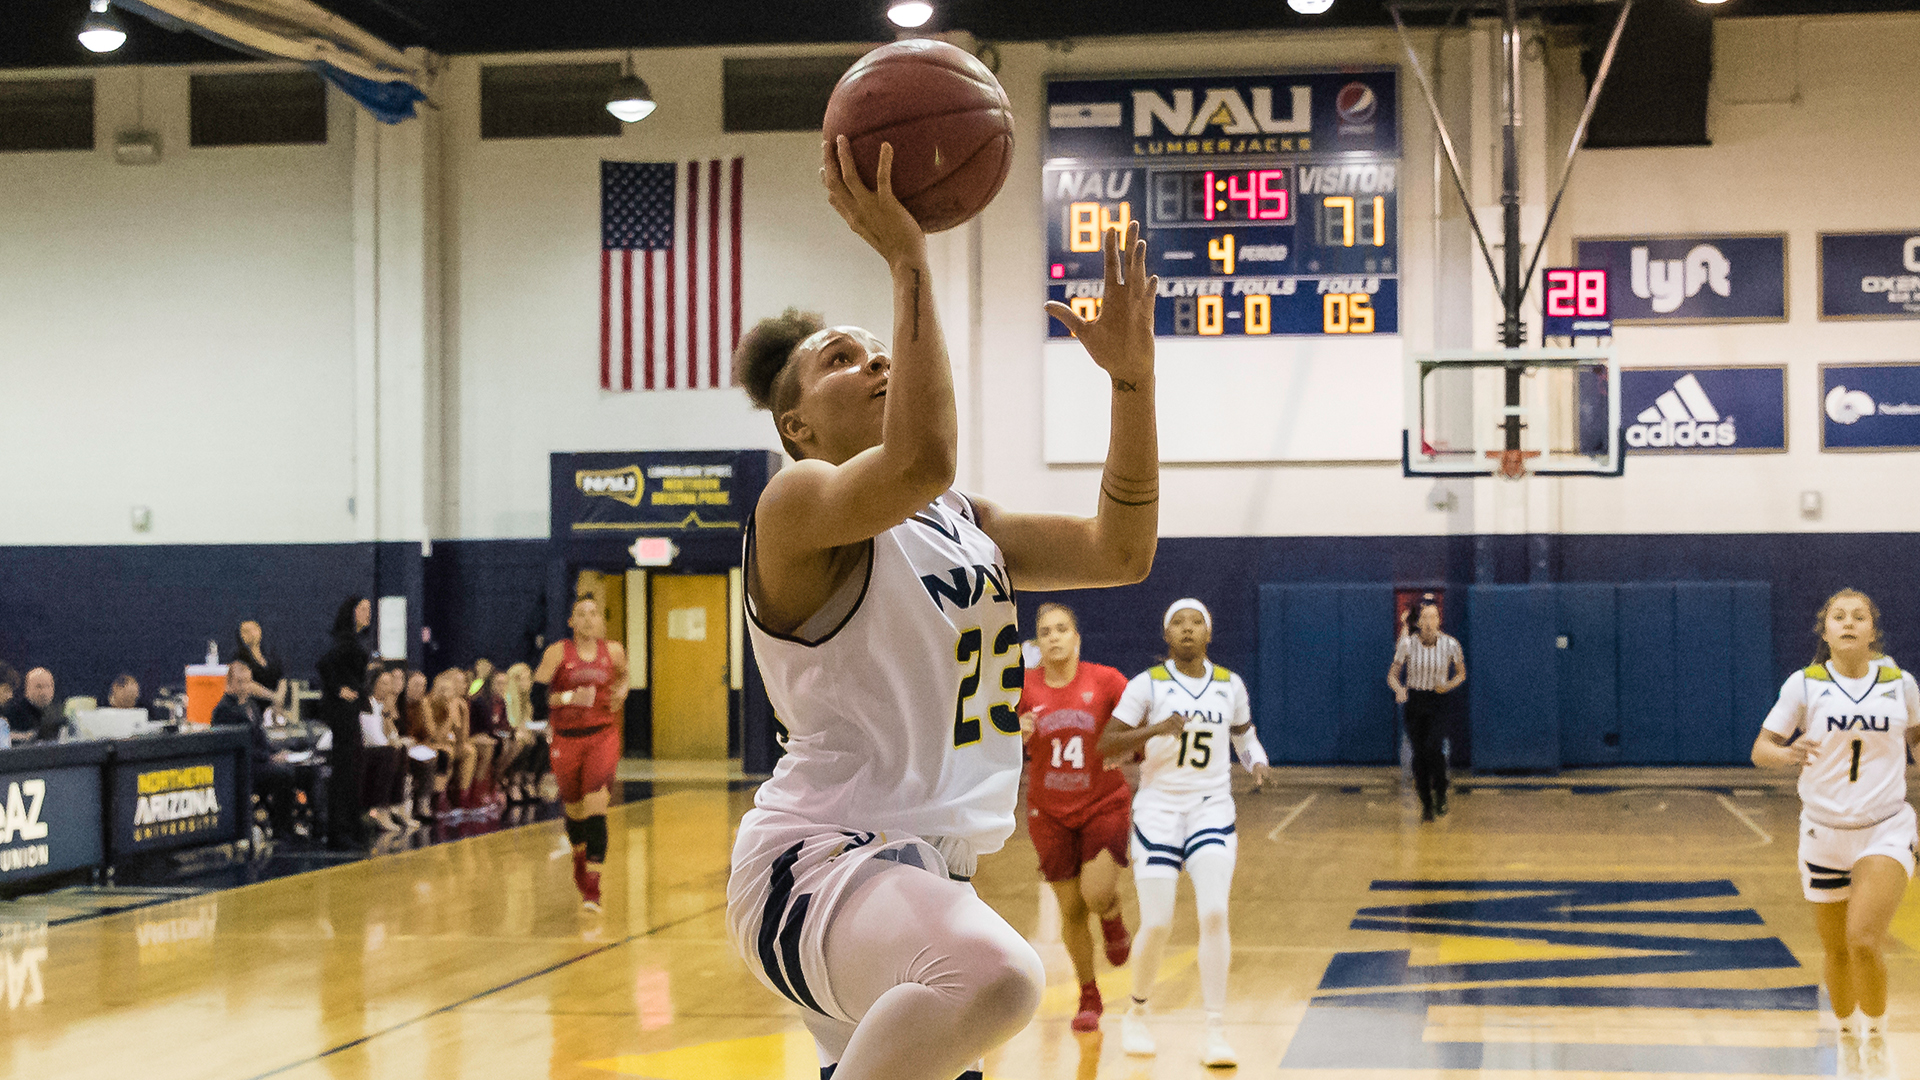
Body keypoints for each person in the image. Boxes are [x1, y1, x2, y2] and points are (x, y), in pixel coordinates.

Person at [724, 137, 1158, 1080]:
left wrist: (1132, 382)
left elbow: (1120, 552)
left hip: (924, 878)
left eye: (881, 351)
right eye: (843, 360)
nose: (876, 361)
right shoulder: (795, 502)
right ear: (798, 425)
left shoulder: (962, 521)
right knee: (999, 977)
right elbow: (922, 456)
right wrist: (906, 256)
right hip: (822, 862)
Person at [1752, 589, 1917, 1080]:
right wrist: (1786, 754)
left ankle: (1878, 1039)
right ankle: (1846, 1038)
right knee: (1837, 950)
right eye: (1838, 617)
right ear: (1824, 632)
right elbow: (1761, 749)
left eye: (1858, 616)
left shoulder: (1900, 683)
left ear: (1873, 630)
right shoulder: (1805, 684)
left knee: (1863, 938)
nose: (1848, 623)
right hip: (1823, 832)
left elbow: (1918, 739)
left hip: (1885, 827)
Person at [1099, 599, 1267, 1067]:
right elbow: (1106, 745)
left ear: (1209, 633)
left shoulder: (1230, 684)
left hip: (1211, 807)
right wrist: (1156, 728)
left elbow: (1243, 736)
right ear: (1166, 634)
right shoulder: (1147, 684)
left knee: (1214, 913)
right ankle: (1136, 1012)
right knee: (1156, 922)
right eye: (1178, 622)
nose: (1188, 629)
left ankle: (1215, 1029)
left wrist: (1256, 760)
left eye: (1196, 622)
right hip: (1158, 810)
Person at [1017, 602, 1135, 1034]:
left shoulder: (1106, 681)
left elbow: (1139, 721)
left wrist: (1129, 746)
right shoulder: (1022, 687)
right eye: (1045, 631)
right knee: (1071, 909)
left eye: (1062, 628)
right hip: (1048, 811)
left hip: (1103, 802)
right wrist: (1014, 732)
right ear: (1037, 642)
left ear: (1077, 638)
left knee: (1096, 893)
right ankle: (1089, 993)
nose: (1053, 636)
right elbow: (990, 735)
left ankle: (1112, 915)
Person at [532, 595, 629, 911]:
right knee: (574, 810)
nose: (588, 619)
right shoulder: (558, 653)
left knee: (596, 804)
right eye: (582, 614)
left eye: (593, 613)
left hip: (602, 736)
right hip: (566, 739)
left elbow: (624, 675)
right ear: (571, 622)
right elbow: (537, 697)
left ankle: (594, 887)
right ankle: (578, 857)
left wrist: (622, 690)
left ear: (600, 620)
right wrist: (569, 697)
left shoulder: (613, 651)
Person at [1387, 598, 1466, 822]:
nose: (1429, 622)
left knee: (1434, 746)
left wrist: (1448, 685)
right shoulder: (1407, 644)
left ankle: (1441, 792)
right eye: (1425, 617)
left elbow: (1461, 673)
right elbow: (1392, 675)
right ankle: (1426, 803)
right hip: (1416, 700)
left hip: (1438, 699)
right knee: (1419, 754)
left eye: (1433, 617)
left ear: (1439, 620)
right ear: (1419, 622)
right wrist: (1399, 689)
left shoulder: (1451, 644)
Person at [211, 660, 303, 838]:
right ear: (229, 683)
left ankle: (302, 825)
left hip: (258, 761)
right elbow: (240, 747)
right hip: (242, 768)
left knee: (299, 770)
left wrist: (275, 753)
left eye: (248, 681)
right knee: (283, 774)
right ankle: (281, 830)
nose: (245, 686)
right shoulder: (225, 711)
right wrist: (269, 758)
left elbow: (260, 739)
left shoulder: (251, 706)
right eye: (240, 682)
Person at [316, 597, 373, 848]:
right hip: (341, 711)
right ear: (351, 611)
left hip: (350, 709)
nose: (368, 613)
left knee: (353, 766)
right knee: (345, 768)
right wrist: (339, 689)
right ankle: (339, 830)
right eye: (363, 609)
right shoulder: (344, 640)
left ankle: (350, 824)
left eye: (369, 609)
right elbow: (323, 665)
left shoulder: (355, 640)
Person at [502, 662, 549, 802]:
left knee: (543, 741)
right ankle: (514, 782)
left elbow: (526, 722)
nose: (528, 683)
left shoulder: (526, 701)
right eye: (524, 679)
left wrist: (542, 728)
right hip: (509, 734)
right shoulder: (508, 698)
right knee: (525, 742)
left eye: (529, 679)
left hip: (523, 732)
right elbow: (512, 723)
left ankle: (530, 779)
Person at [234, 620, 289, 713]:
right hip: (252, 706)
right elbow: (247, 684)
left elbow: (282, 678)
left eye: (254, 629)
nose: (252, 634)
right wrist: (273, 697)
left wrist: (279, 699)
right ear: (241, 636)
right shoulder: (239, 658)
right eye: (246, 631)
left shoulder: (271, 655)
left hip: (275, 706)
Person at [3, 668, 64, 744]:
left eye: (48, 686)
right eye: (38, 687)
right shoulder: (12, 714)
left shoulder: (59, 714)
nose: (43, 692)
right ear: (27, 690)